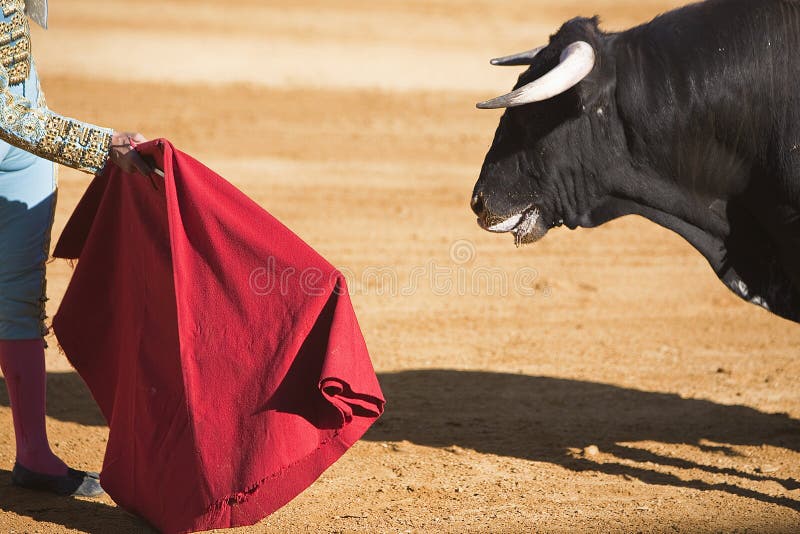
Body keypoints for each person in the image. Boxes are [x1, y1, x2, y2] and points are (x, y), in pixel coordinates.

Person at [0, 0, 153, 497]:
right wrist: (99, 144)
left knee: (19, 294)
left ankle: (34, 455)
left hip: (22, 114)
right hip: (16, 120)